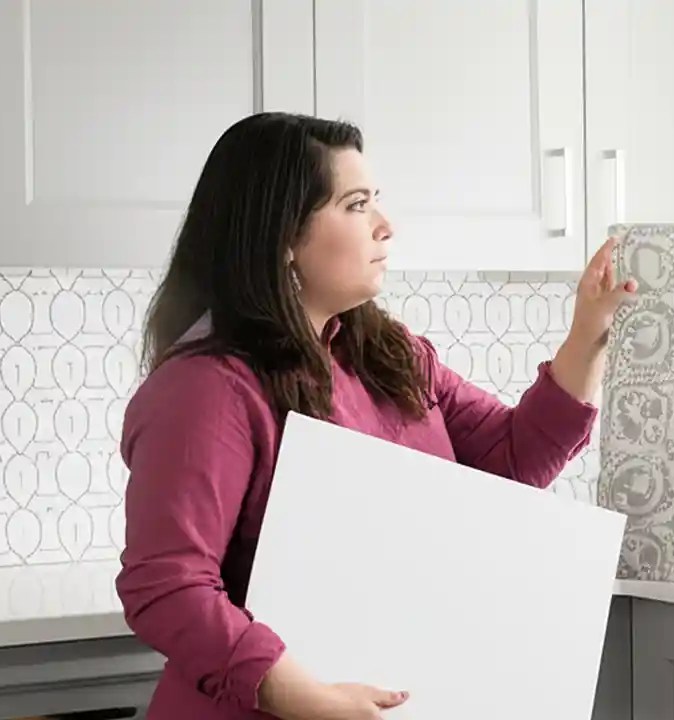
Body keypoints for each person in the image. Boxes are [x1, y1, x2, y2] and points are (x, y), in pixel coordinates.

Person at [114, 112, 637, 720]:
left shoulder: (392, 356)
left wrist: (588, 334)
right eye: (357, 205)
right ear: (283, 236)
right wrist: (304, 698)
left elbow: (511, 461)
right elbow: (168, 587)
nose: (385, 227)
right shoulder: (206, 389)